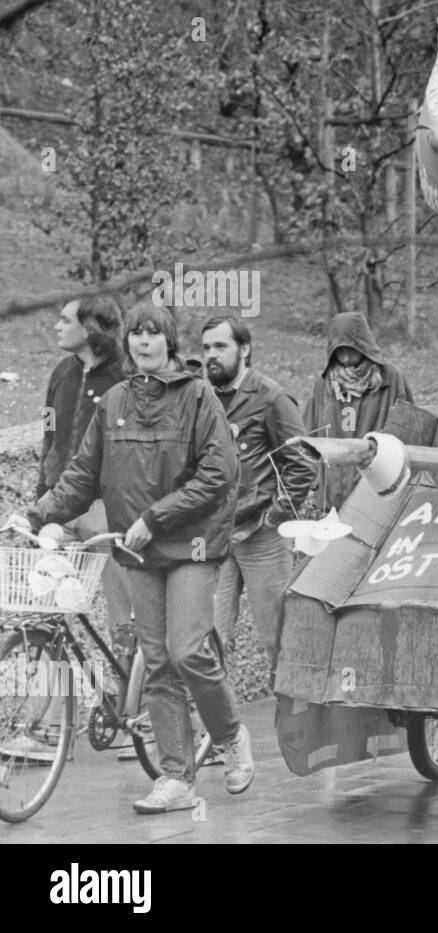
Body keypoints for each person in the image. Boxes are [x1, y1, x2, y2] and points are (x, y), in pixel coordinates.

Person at [12, 303, 253, 814]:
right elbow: (82, 473)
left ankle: (230, 736)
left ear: (168, 341)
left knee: (187, 650)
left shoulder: (197, 396)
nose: (143, 342)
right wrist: (37, 515)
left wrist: (154, 520)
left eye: (153, 334)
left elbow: (218, 475)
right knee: (159, 663)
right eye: (136, 335)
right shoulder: (116, 399)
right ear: (128, 344)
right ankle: (176, 779)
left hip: (189, 542)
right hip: (136, 548)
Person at [202, 316, 317, 659]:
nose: (211, 355)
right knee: (210, 639)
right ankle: (219, 712)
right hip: (217, 535)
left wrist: (275, 515)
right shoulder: (203, 399)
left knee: (277, 636)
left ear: (245, 349)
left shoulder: (271, 398)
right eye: (206, 347)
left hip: (261, 534)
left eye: (221, 346)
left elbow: (303, 462)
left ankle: (294, 708)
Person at [36, 295, 132, 639]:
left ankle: (132, 688)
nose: (57, 326)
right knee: (47, 610)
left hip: (108, 512)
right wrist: (43, 494)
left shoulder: (127, 376)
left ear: (90, 328)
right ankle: (54, 687)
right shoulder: (61, 372)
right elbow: (49, 433)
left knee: (125, 616)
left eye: (65, 320)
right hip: (61, 505)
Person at [302, 311, 413, 512]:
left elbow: (410, 429)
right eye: (339, 349)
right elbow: (308, 433)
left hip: (376, 488)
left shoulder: (390, 378)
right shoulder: (325, 382)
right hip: (331, 493)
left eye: (351, 348)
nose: (345, 356)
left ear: (364, 345)